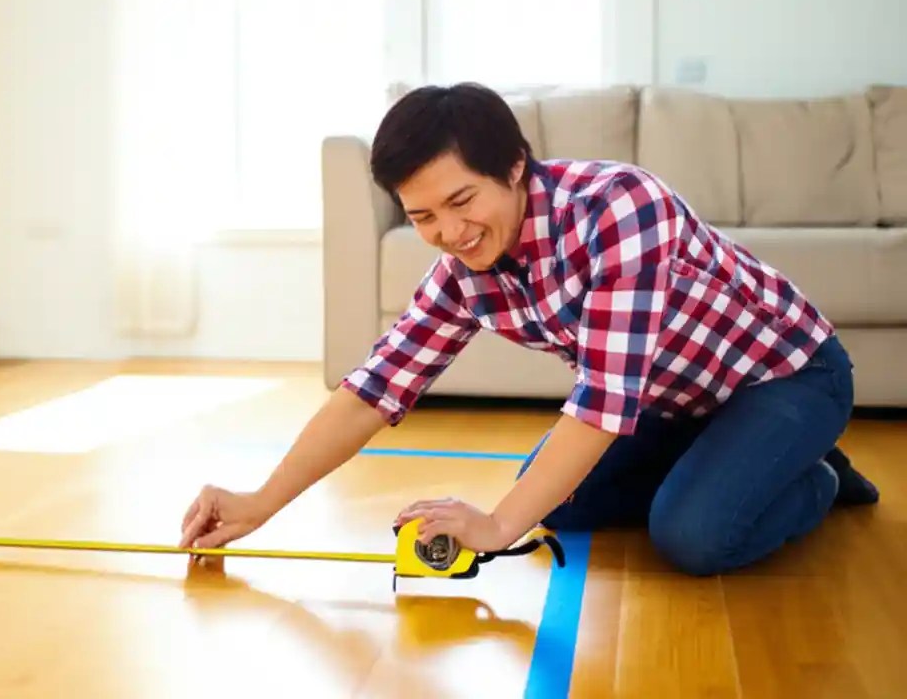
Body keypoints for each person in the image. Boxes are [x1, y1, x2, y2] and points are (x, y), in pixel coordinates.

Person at [178, 82, 879, 576]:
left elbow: (602, 406)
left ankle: (813, 475)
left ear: (514, 166)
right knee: (560, 504)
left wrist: (493, 527)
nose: (448, 233)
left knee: (691, 538)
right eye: (422, 218)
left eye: (461, 200)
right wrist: (261, 501)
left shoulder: (619, 209)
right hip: (671, 402)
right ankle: (744, 462)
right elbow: (372, 390)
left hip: (786, 377)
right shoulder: (464, 267)